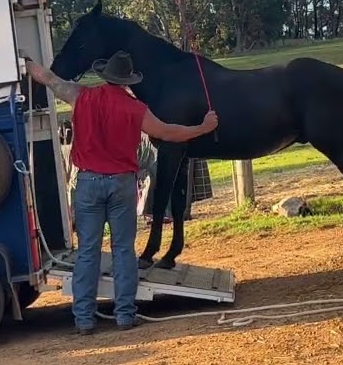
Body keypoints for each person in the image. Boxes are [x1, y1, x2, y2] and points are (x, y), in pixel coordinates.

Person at [23, 50, 217, 335]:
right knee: (123, 250)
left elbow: (49, 79)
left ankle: (84, 320)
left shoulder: (81, 96)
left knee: (88, 251)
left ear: (105, 75)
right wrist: (203, 127)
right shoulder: (135, 108)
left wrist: (26, 63)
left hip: (88, 183)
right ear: (128, 80)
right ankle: (125, 315)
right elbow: (168, 132)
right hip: (122, 184)